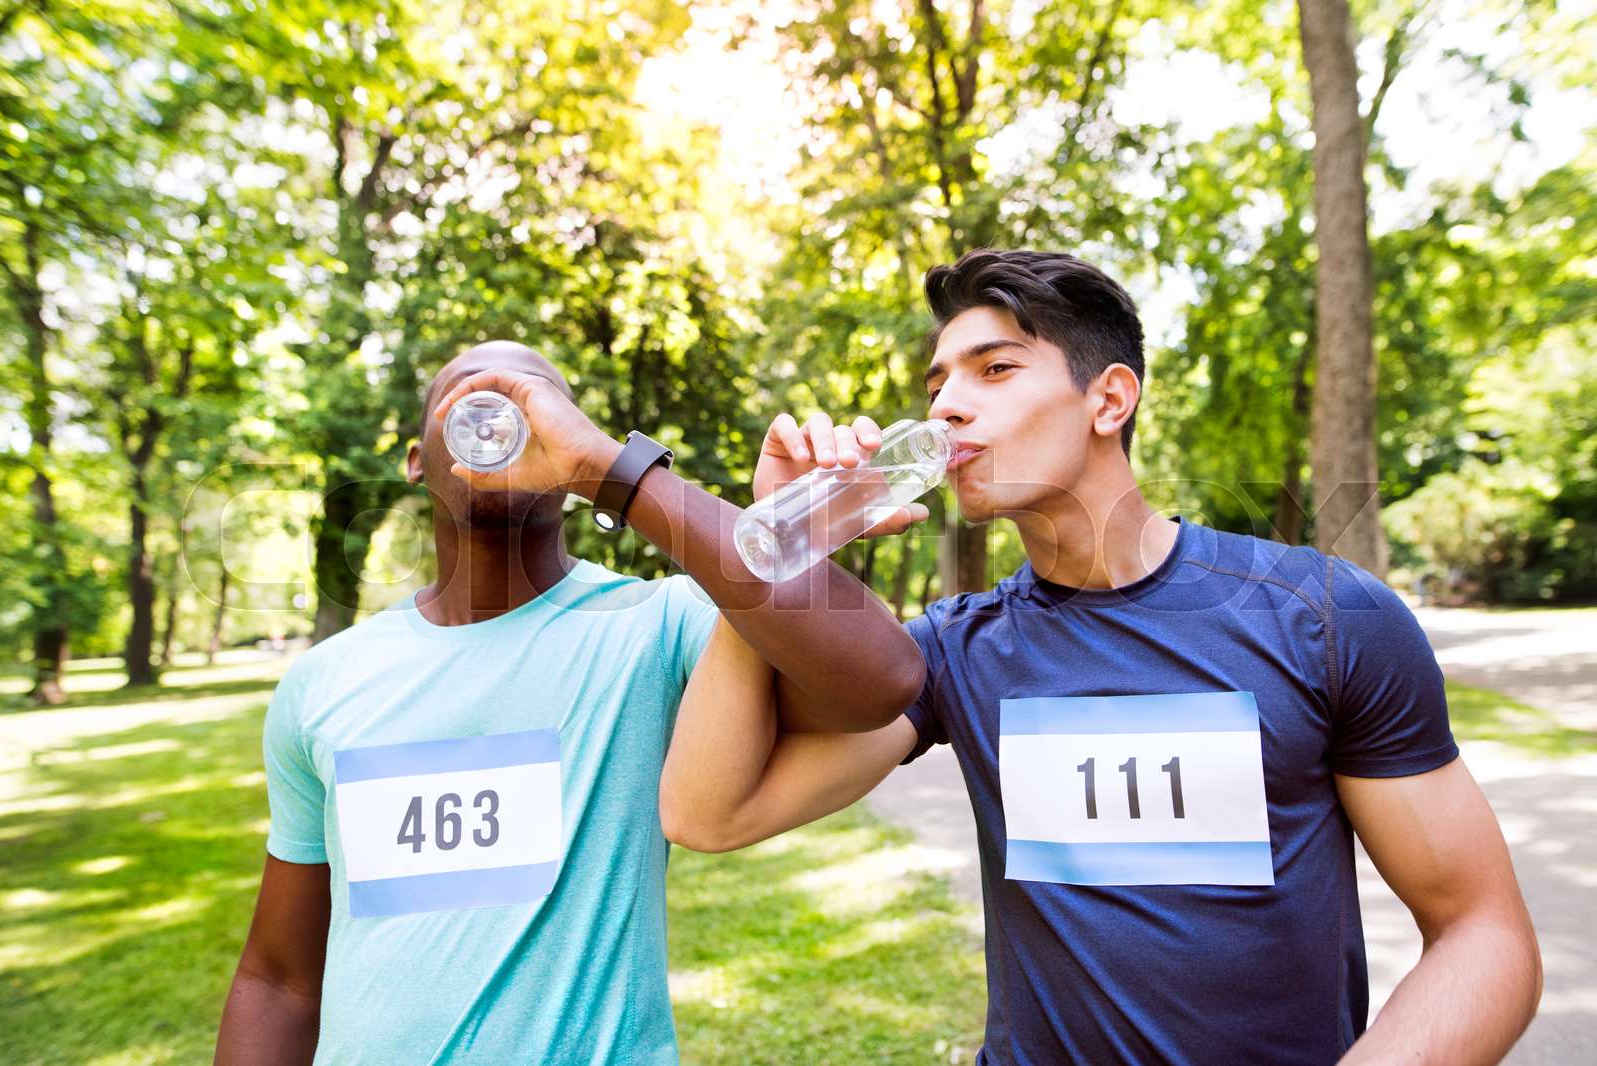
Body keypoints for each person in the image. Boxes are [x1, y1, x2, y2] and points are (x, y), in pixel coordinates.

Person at [660, 250, 1543, 1064]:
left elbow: (1482, 933)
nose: (944, 408)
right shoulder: (955, 650)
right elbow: (713, 814)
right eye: (936, 384)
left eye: (995, 369)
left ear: (1108, 400)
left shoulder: (1325, 616)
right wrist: (768, 550)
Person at [214, 340, 924, 1065]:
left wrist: (620, 473)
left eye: (534, 400)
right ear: (417, 459)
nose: (500, 415)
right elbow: (278, 979)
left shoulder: (662, 625)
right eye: (467, 395)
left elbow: (882, 679)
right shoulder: (322, 683)